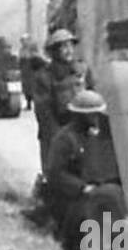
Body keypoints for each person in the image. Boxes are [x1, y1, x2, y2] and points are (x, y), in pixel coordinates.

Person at [44, 90, 121, 249]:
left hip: (94, 191)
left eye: (97, 114)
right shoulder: (64, 139)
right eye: (91, 115)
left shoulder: (95, 137)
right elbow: (55, 173)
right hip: (72, 198)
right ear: (79, 116)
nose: (96, 118)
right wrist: (82, 187)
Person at [33, 28, 93, 172]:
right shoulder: (44, 76)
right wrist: (60, 138)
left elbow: (93, 97)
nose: (69, 50)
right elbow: (44, 112)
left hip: (83, 130)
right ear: (54, 51)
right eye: (63, 46)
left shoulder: (82, 70)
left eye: (70, 45)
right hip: (57, 131)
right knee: (57, 174)